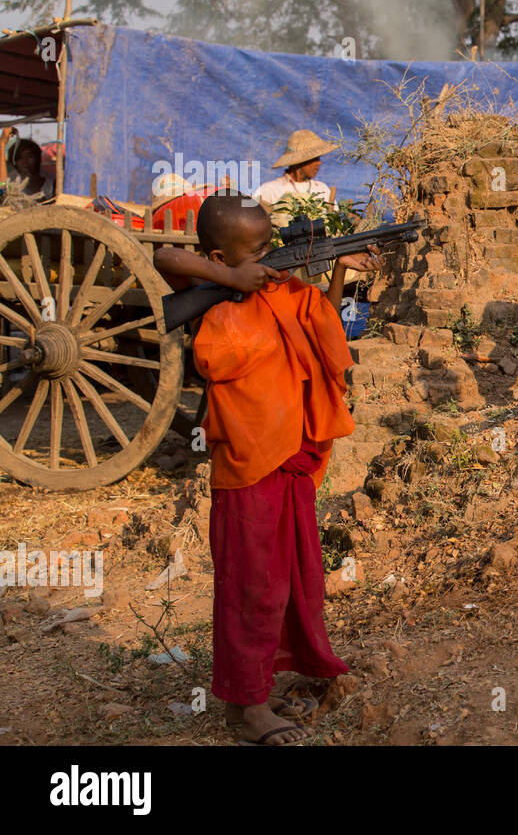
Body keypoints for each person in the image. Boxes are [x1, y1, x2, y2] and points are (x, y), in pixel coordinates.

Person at [153, 192, 381, 745]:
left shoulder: (279, 290)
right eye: (254, 250)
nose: (266, 258)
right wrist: (228, 279)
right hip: (247, 463)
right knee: (252, 586)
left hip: (290, 456)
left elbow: (316, 329)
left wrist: (336, 274)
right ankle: (248, 707)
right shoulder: (212, 297)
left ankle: (264, 684)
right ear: (219, 254)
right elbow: (164, 257)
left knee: (291, 578)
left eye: (269, 247)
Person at [251, 129, 340, 226]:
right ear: (299, 162)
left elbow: (336, 222)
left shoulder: (322, 189)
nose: (319, 163)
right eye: (314, 159)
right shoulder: (269, 190)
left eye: (319, 158)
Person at [1, 129, 54, 202]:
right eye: (20, 158)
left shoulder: (51, 185)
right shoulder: (13, 185)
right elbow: (3, 188)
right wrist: (2, 144)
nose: (25, 161)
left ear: (37, 159)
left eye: (30, 156)